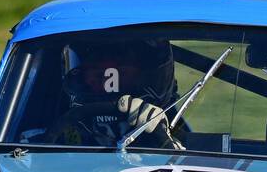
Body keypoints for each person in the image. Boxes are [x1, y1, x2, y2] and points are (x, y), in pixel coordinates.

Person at [45, 38, 181, 147]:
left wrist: (165, 142)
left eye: (121, 66)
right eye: (94, 66)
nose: (105, 77)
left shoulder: (185, 143)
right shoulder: (39, 141)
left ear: (144, 76)